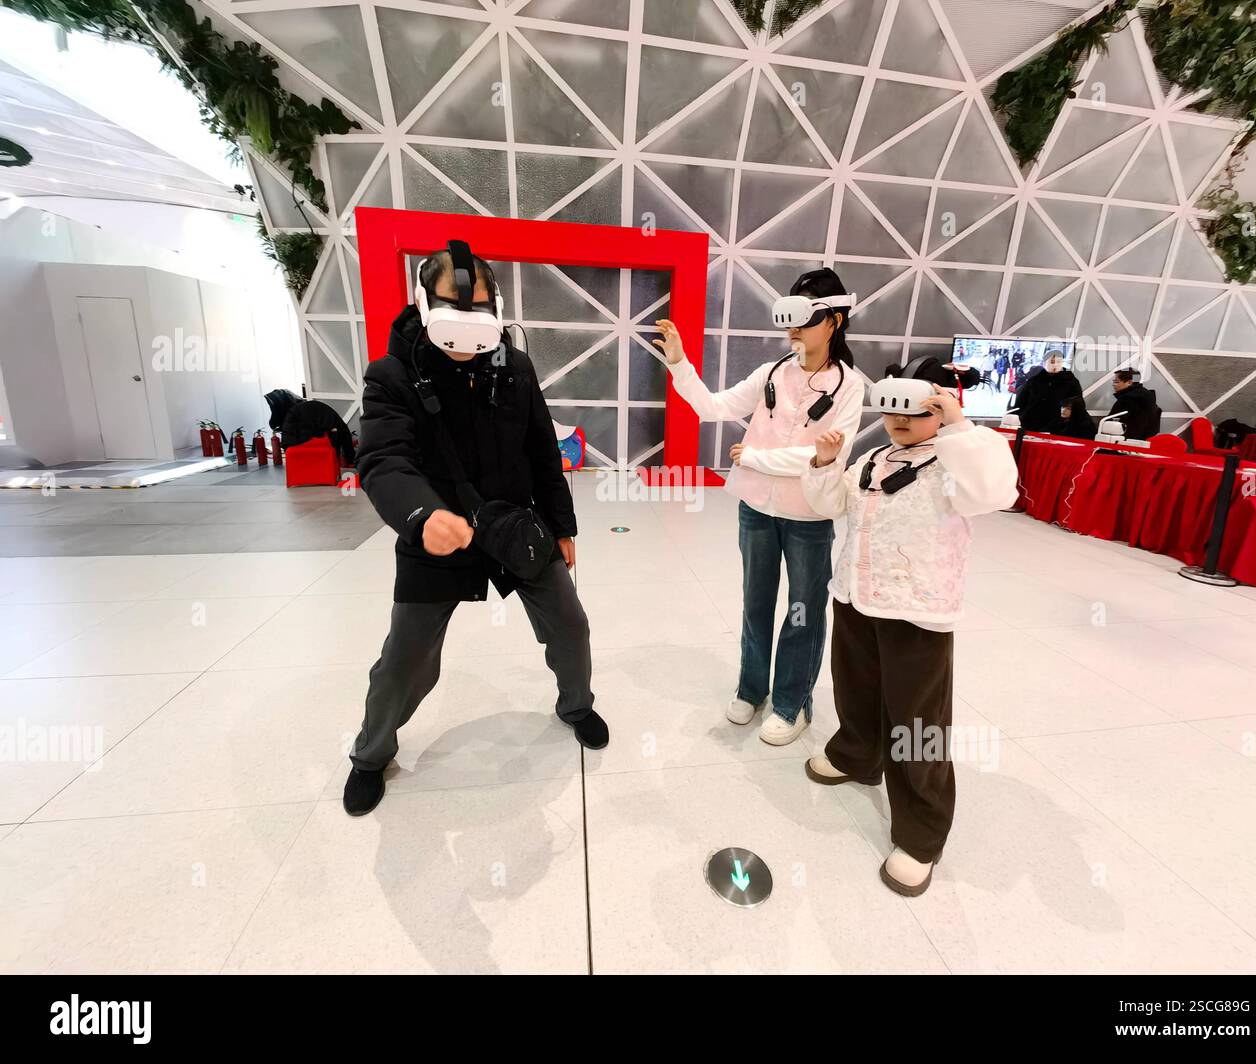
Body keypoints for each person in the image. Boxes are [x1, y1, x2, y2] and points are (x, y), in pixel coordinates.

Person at [342, 242, 606, 816]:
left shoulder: (516, 367)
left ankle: (576, 704)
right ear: (423, 302)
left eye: (478, 311)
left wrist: (562, 525)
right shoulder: (392, 376)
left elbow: (542, 450)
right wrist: (419, 516)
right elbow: (384, 460)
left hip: (513, 526)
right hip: (437, 533)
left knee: (570, 624)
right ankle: (370, 753)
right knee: (407, 658)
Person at [800, 359, 1019, 897]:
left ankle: (921, 833)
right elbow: (827, 505)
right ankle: (856, 754)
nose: (901, 420)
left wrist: (959, 426)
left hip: (916, 609)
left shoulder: (956, 460)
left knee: (916, 721)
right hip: (855, 596)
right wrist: (826, 463)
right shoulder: (873, 458)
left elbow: (996, 493)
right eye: (894, 409)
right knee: (857, 689)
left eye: (917, 411)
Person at [654, 268, 865, 745]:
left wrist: (753, 457)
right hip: (756, 509)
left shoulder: (852, 386)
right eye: (788, 320)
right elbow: (713, 407)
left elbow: (824, 454)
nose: (793, 331)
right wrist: (679, 363)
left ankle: (793, 704)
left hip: (808, 514)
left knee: (802, 610)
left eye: (805, 320)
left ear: (833, 321)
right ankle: (751, 689)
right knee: (756, 604)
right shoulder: (770, 374)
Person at [1010, 350, 1082, 431]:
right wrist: (1020, 418)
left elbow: (1078, 405)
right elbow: (1020, 402)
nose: (1055, 365)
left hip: (1058, 429)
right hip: (1030, 426)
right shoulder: (1034, 380)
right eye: (1052, 362)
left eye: (1059, 362)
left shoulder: (1070, 381)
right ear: (1044, 363)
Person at [1107, 369, 1160, 440]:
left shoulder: (1128, 399)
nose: (1113, 384)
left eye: (1116, 382)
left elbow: (1111, 423)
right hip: (1146, 441)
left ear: (1129, 382)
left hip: (1127, 442)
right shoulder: (1147, 396)